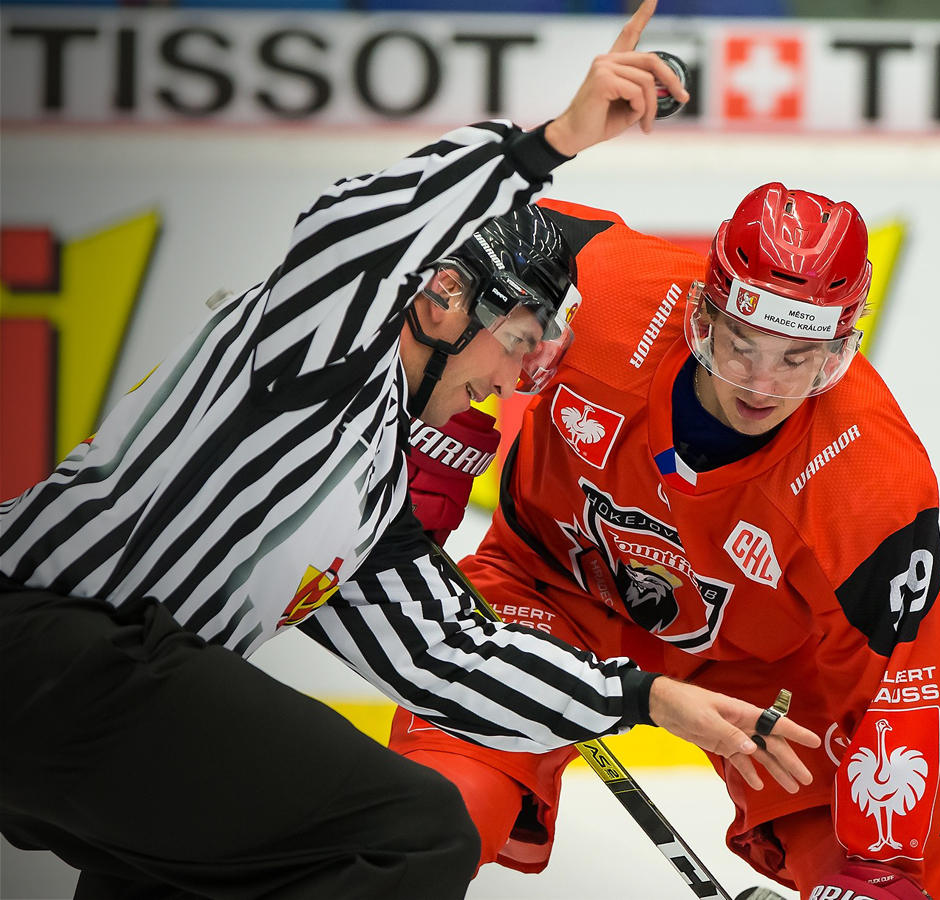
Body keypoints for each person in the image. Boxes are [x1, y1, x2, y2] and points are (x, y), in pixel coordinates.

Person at [0, 5, 818, 899]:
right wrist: (543, 147)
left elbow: (447, 652)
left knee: (202, 870)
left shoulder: (368, 494)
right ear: (442, 302)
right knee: (412, 832)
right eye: (519, 339)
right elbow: (359, 230)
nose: (512, 383)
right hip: (45, 648)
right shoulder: (310, 350)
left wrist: (645, 701)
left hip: (101, 710)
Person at [393, 183, 940, 899]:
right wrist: (419, 440)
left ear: (840, 345)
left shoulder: (869, 474)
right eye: (742, 344)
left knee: (868, 867)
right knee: (436, 811)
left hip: (758, 671)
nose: (762, 384)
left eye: (799, 357)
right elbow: (452, 237)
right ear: (704, 313)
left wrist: (896, 875)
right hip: (542, 591)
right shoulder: (612, 294)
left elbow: (906, 690)